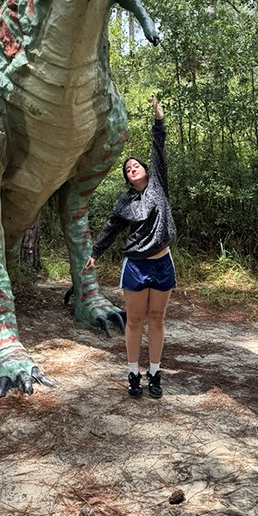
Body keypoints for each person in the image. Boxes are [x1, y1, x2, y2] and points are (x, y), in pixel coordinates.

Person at [84, 96, 177, 399]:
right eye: (128, 168)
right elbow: (111, 228)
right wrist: (95, 253)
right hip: (135, 265)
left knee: (157, 319)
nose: (132, 168)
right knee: (135, 320)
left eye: (136, 165)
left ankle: (155, 373)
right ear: (127, 178)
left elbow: (158, 149)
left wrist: (158, 120)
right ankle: (133, 373)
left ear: (147, 170)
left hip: (162, 262)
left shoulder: (158, 186)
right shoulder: (125, 201)